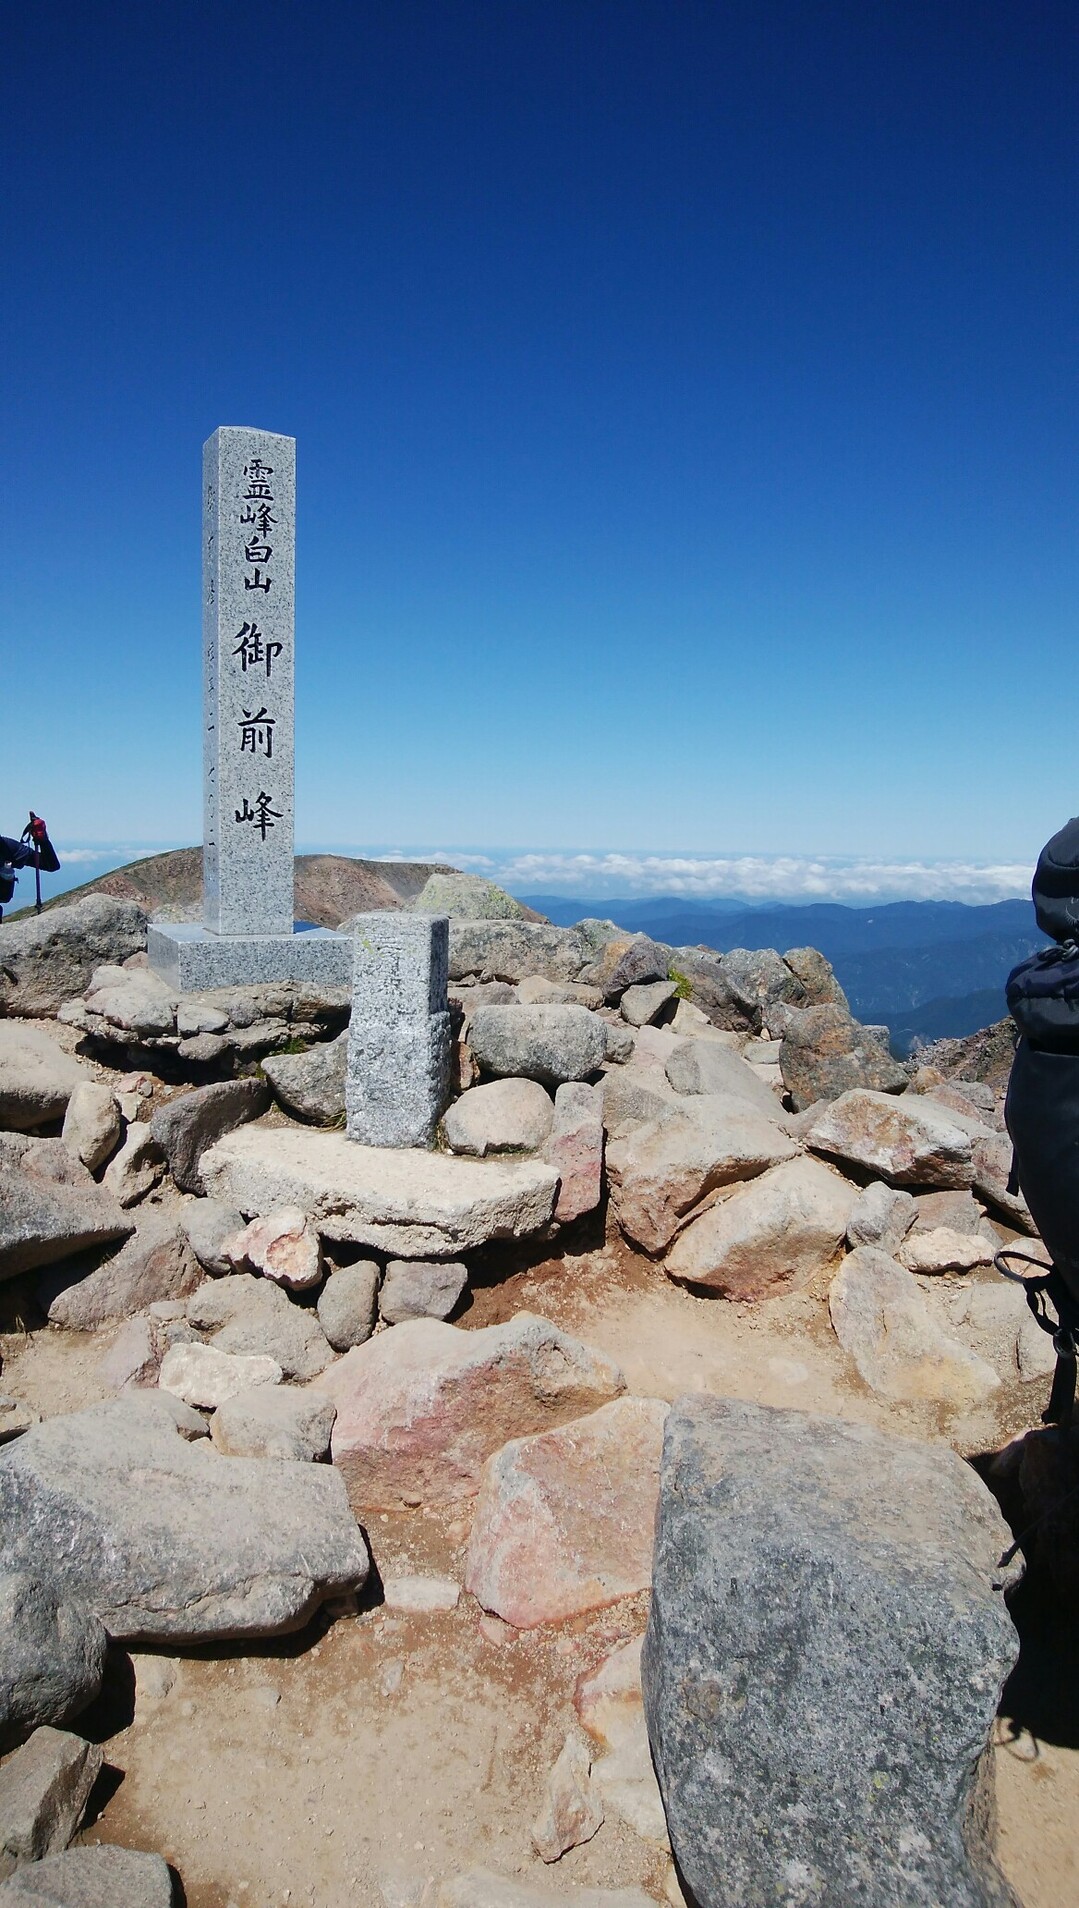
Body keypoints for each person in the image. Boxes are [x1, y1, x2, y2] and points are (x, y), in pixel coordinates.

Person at [0, 812, 60, 921]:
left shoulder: (5, 847)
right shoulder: (5, 847)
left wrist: (43, 840)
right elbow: (51, 865)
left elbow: (50, 865)